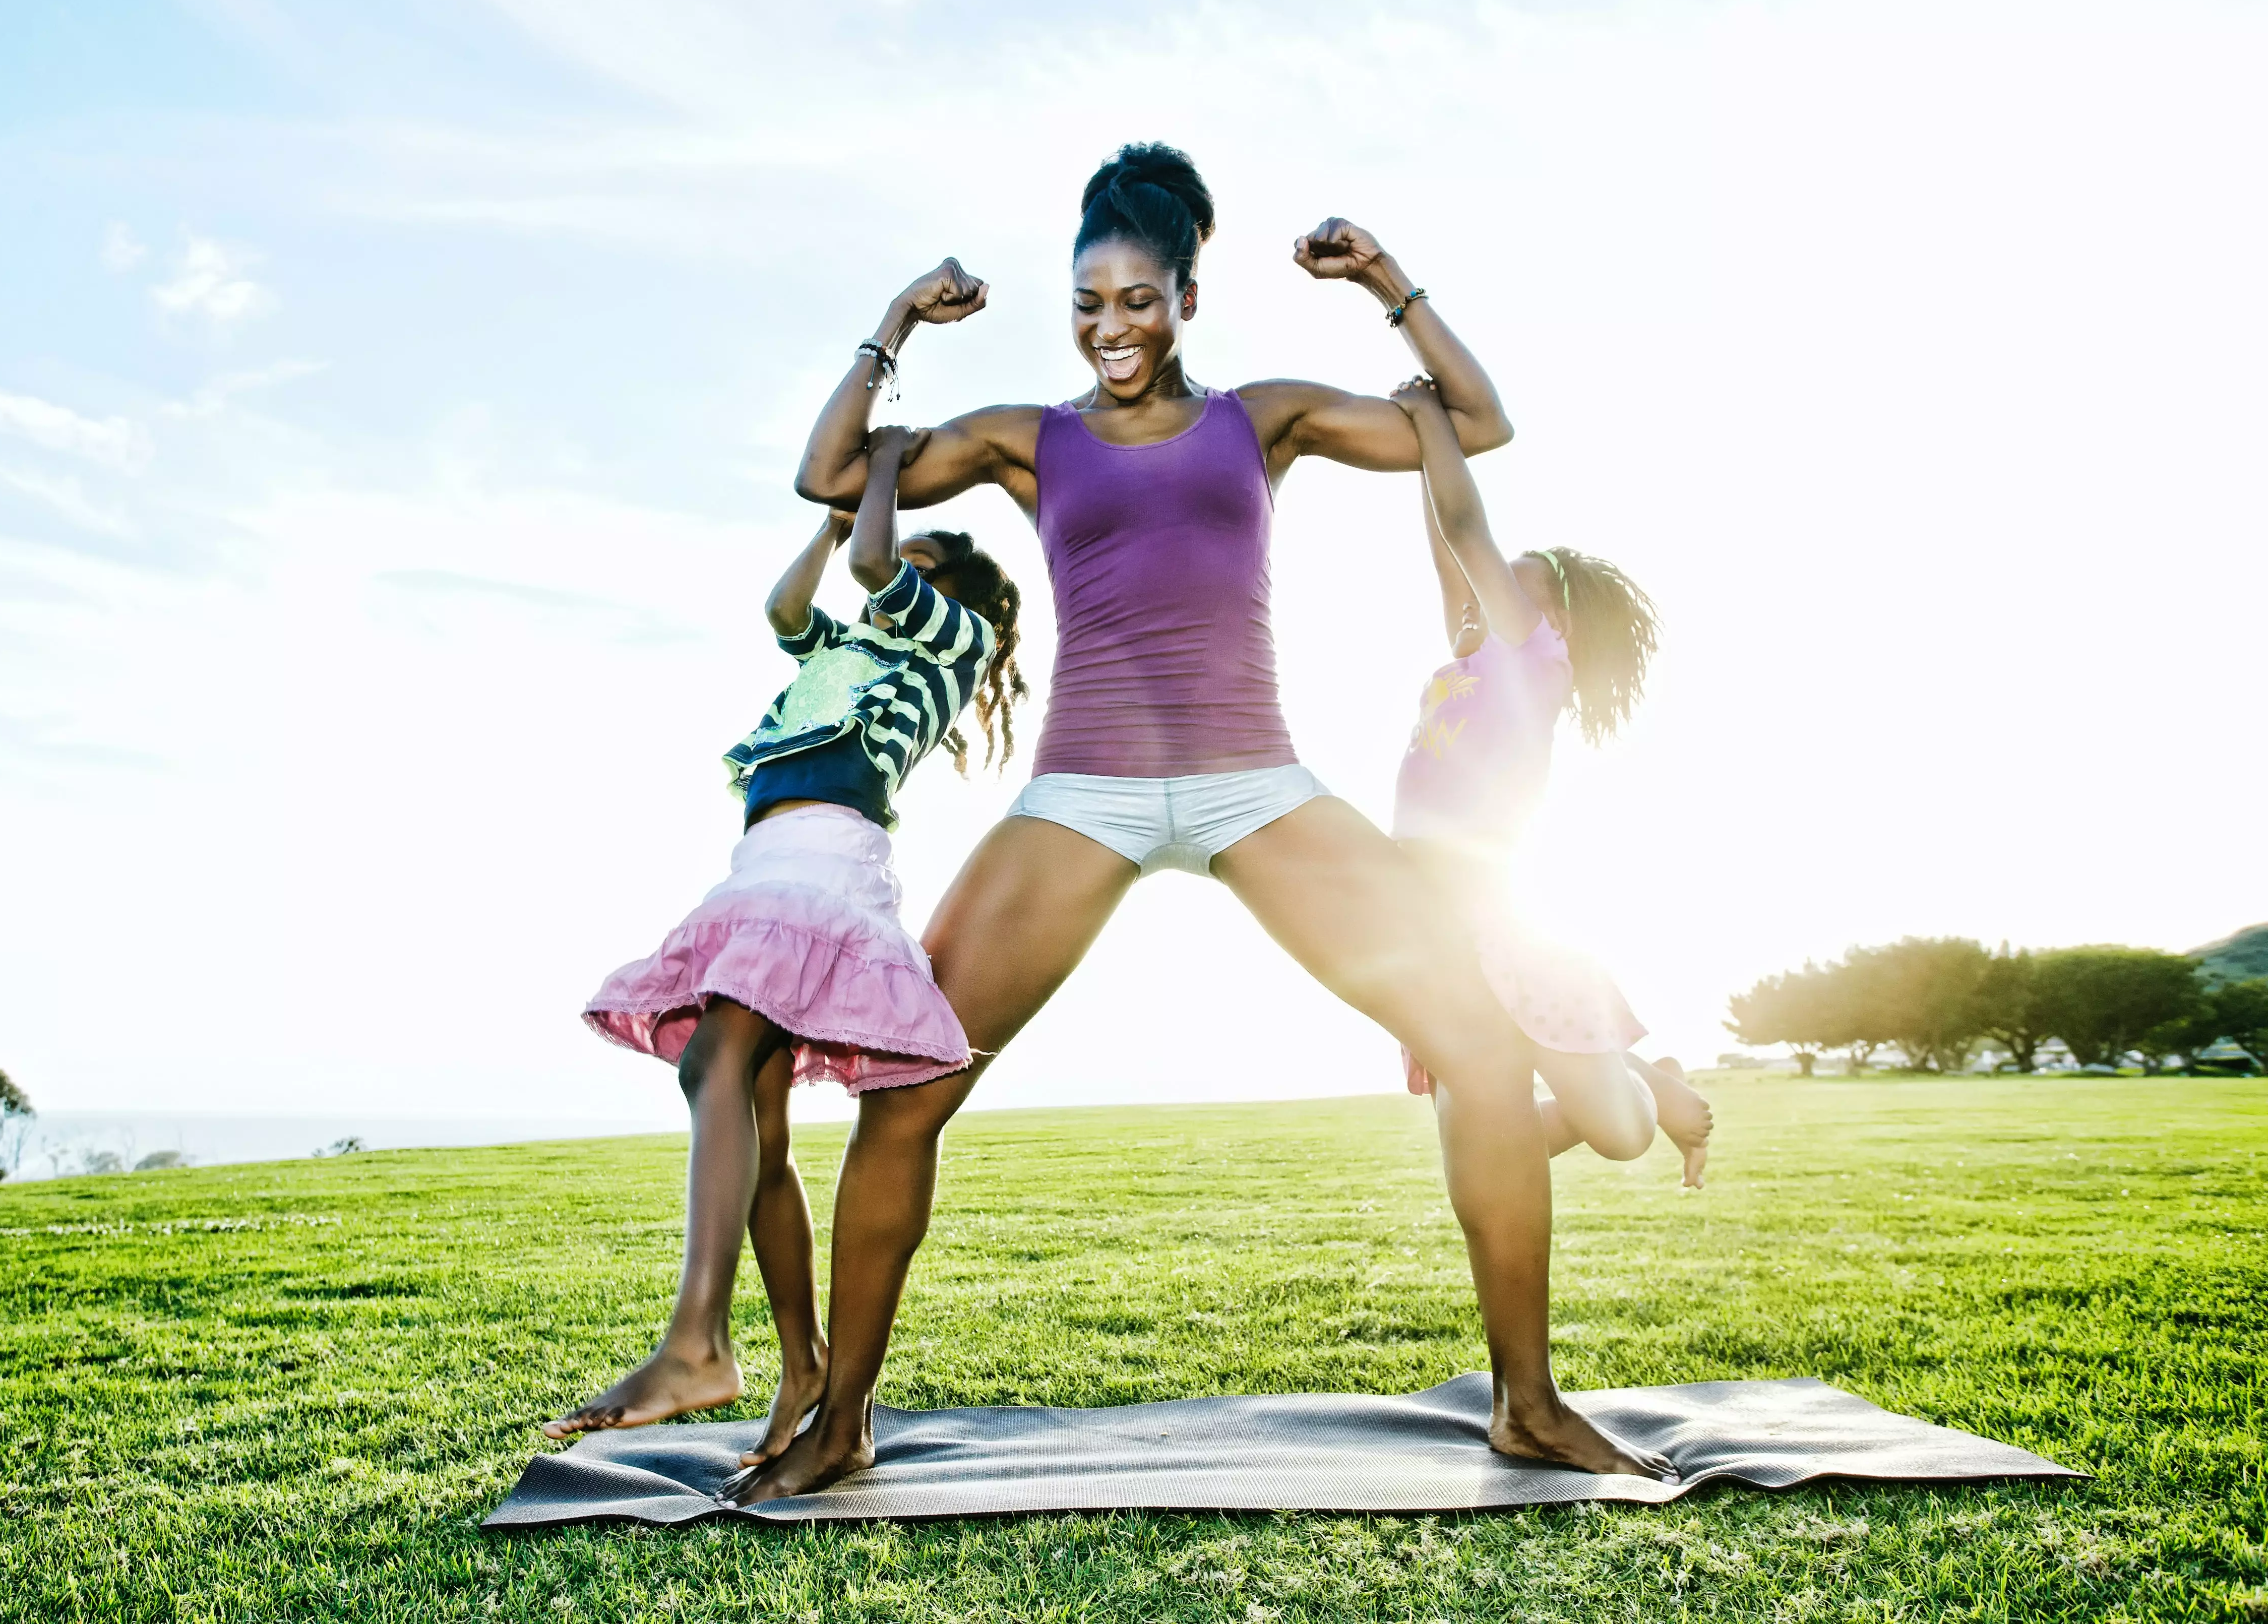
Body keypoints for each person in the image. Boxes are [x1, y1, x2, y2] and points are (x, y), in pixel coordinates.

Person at [725, 142, 1669, 1504]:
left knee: (1478, 1043)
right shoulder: (1027, 439)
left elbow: (1476, 419)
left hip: (1254, 778)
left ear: (1187, 298)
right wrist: (897, 324)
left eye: (1140, 301)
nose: (1113, 328)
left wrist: (1383, 279)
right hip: (1084, 789)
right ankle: (842, 1418)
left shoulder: (1260, 419)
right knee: (907, 1088)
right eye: (1088, 303)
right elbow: (830, 477)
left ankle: (1528, 1402)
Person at [548, 427, 1025, 1462]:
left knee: (713, 1060)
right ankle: (798, 1361)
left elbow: (871, 565)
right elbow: (788, 608)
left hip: (824, 862)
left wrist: (882, 477)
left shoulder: (951, 643)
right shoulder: (847, 649)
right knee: (750, 1119)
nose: (890, 574)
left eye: (916, 566)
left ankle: (696, 1340)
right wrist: (830, 515)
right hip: (760, 864)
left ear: (952, 592)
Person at [1389, 376, 1713, 1190]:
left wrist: (1433, 419)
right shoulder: (1473, 656)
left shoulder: (1536, 663)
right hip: (1434, 925)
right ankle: (1635, 1081)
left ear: (1556, 624)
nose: (1489, 580)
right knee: (1481, 1161)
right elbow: (1445, 546)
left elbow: (1467, 532)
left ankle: (1649, 1085)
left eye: (1514, 577)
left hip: (1509, 930)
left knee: (1620, 1136)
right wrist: (1427, 455)